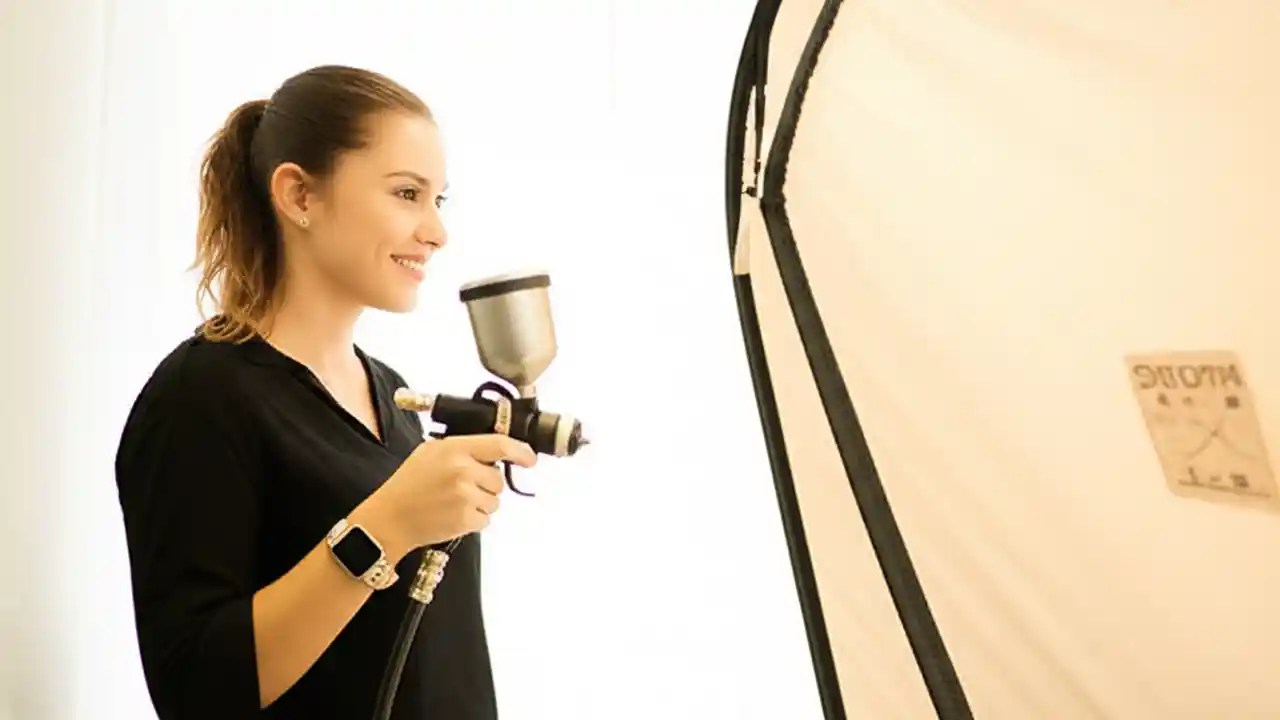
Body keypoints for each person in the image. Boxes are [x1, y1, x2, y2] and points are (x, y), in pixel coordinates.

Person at [113, 65, 536, 719]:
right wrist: (385, 525)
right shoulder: (201, 399)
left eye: (438, 200)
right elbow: (196, 689)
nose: (436, 231)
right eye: (405, 193)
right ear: (299, 195)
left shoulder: (393, 399)